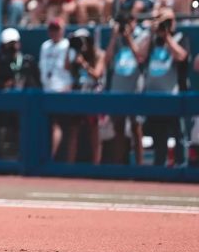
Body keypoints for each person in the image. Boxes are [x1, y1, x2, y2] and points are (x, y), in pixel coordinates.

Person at [139, 9, 190, 167]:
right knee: (158, 137)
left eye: (169, 21)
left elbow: (181, 56)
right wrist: (151, 32)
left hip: (174, 96)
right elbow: (140, 56)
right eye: (163, 21)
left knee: (178, 135)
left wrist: (167, 36)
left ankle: (181, 166)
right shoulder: (153, 40)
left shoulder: (180, 38)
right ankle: (158, 169)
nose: (166, 25)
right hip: (154, 97)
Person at [0, 27, 40, 159]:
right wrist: (6, 84)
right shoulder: (0, 62)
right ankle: (5, 159)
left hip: (25, 105)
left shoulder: (28, 61)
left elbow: (37, 83)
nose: (12, 47)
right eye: (8, 44)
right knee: (4, 132)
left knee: (24, 132)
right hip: (6, 106)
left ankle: (26, 157)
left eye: (14, 43)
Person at [105, 10, 146, 165]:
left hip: (134, 88)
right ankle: (119, 166)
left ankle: (140, 166)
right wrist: (115, 37)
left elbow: (140, 58)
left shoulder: (143, 35)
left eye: (128, 22)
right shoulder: (117, 39)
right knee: (118, 128)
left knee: (136, 128)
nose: (126, 26)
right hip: (118, 88)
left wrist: (128, 38)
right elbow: (107, 59)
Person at [64, 29, 106, 164]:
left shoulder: (98, 54)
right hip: (78, 95)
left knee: (94, 133)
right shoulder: (74, 56)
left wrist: (84, 64)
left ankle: (96, 167)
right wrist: (69, 49)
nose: (82, 44)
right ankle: (69, 167)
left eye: (84, 41)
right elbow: (65, 68)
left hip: (93, 96)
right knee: (73, 132)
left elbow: (97, 74)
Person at [39, 18, 73, 159]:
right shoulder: (45, 46)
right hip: (46, 89)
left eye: (57, 29)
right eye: (52, 29)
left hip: (61, 89)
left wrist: (68, 86)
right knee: (47, 125)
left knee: (55, 125)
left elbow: (71, 68)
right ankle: (46, 157)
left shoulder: (67, 45)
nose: (54, 32)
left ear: (62, 30)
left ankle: (50, 159)